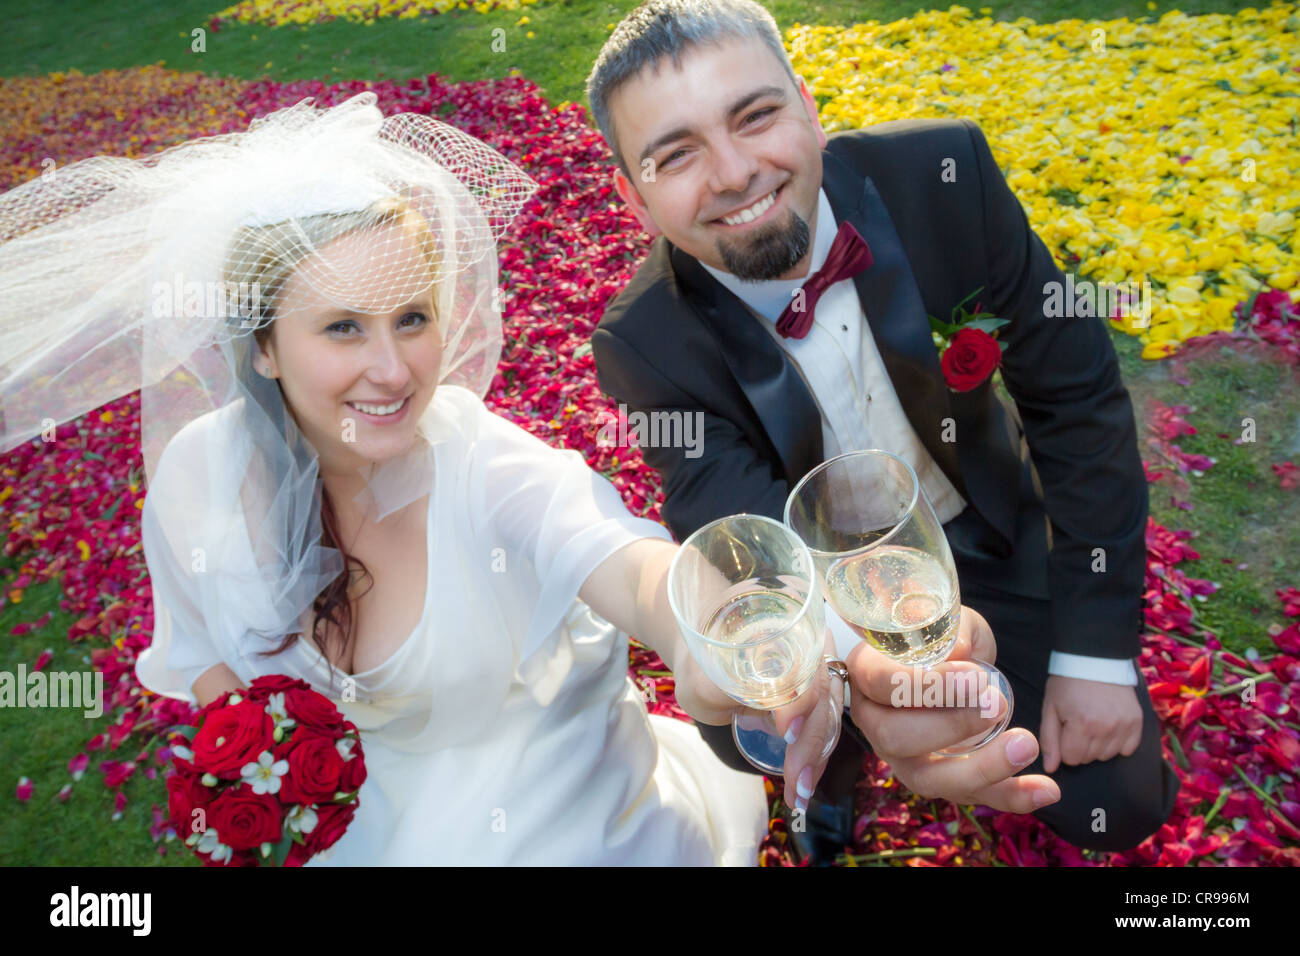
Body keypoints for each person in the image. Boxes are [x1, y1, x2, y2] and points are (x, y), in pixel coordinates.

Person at [0, 91, 867, 865]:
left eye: (411, 318)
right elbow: (200, 653)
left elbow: (626, 563)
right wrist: (251, 756)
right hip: (367, 816)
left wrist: (709, 631)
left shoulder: (485, 465)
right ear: (261, 346)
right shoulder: (200, 476)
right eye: (342, 327)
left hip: (553, 812)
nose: (393, 369)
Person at [585, 0, 1180, 862]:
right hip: (824, 585)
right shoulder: (644, 345)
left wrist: (1094, 655)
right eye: (676, 154)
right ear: (632, 197)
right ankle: (833, 772)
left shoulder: (945, 174)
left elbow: (1076, 397)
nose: (734, 172)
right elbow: (741, 543)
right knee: (744, 712)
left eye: (755, 116)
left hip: (986, 534)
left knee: (1121, 801)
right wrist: (858, 680)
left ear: (809, 107)